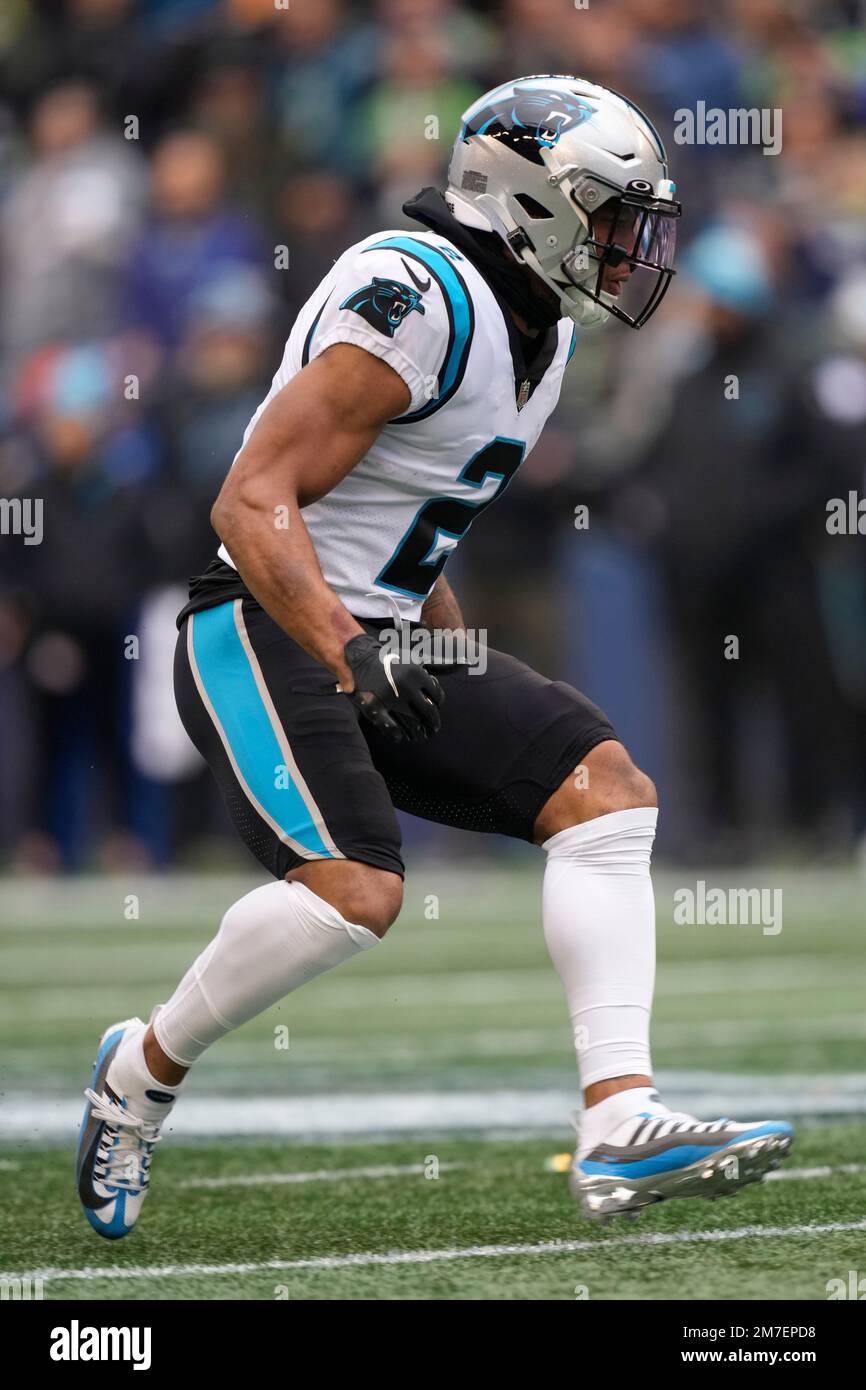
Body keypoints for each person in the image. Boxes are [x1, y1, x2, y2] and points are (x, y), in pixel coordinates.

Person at [75, 76, 792, 1239]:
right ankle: (140, 1070)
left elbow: (419, 526)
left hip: (378, 630)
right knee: (354, 892)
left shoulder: (541, 329)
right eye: (607, 217)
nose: (627, 247)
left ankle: (617, 1121)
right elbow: (248, 500)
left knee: (602, 794)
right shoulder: (416, 291)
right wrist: (354, 650)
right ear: (524, 201)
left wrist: (448, 656)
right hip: (252, 619)